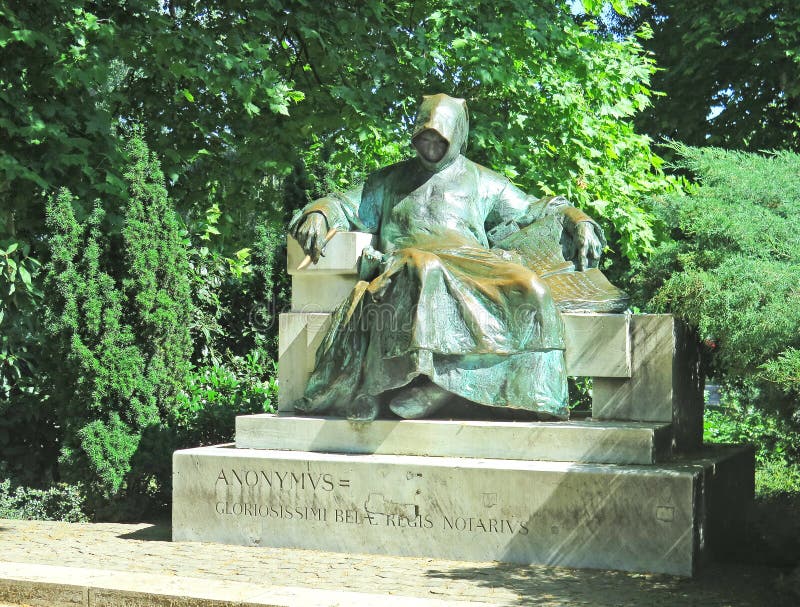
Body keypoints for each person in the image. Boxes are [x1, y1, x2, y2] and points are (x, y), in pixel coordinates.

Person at [289, 93, 606, 421]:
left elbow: (534, 209)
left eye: (439, 140)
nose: (430, 147)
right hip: (408, 264)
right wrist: (320, 213)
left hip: (472, 264)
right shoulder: (387, 180)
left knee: (531, 288)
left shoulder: (485, 181)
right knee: (427, 268)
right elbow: (343, 204)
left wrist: (578, 219)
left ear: (457, 137)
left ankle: (528, 396)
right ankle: (422, 385)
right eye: (424, 138)